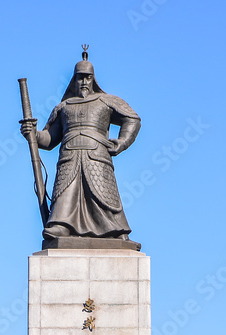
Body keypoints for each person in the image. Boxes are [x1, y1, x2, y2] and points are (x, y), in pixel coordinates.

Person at [20, 51, 141, 244]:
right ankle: (62, 225)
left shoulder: (106, 101)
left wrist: (122, 141)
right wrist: (33, 134)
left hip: (97, 156)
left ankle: (114, 229)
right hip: (69, 157)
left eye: (88, 77)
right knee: (65, 193)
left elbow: (132, 119)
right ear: (74, 80)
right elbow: (49, 139)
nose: (84, 82)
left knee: (103, 194)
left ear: (93, 79)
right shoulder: (64, 107)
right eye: (80, 78)